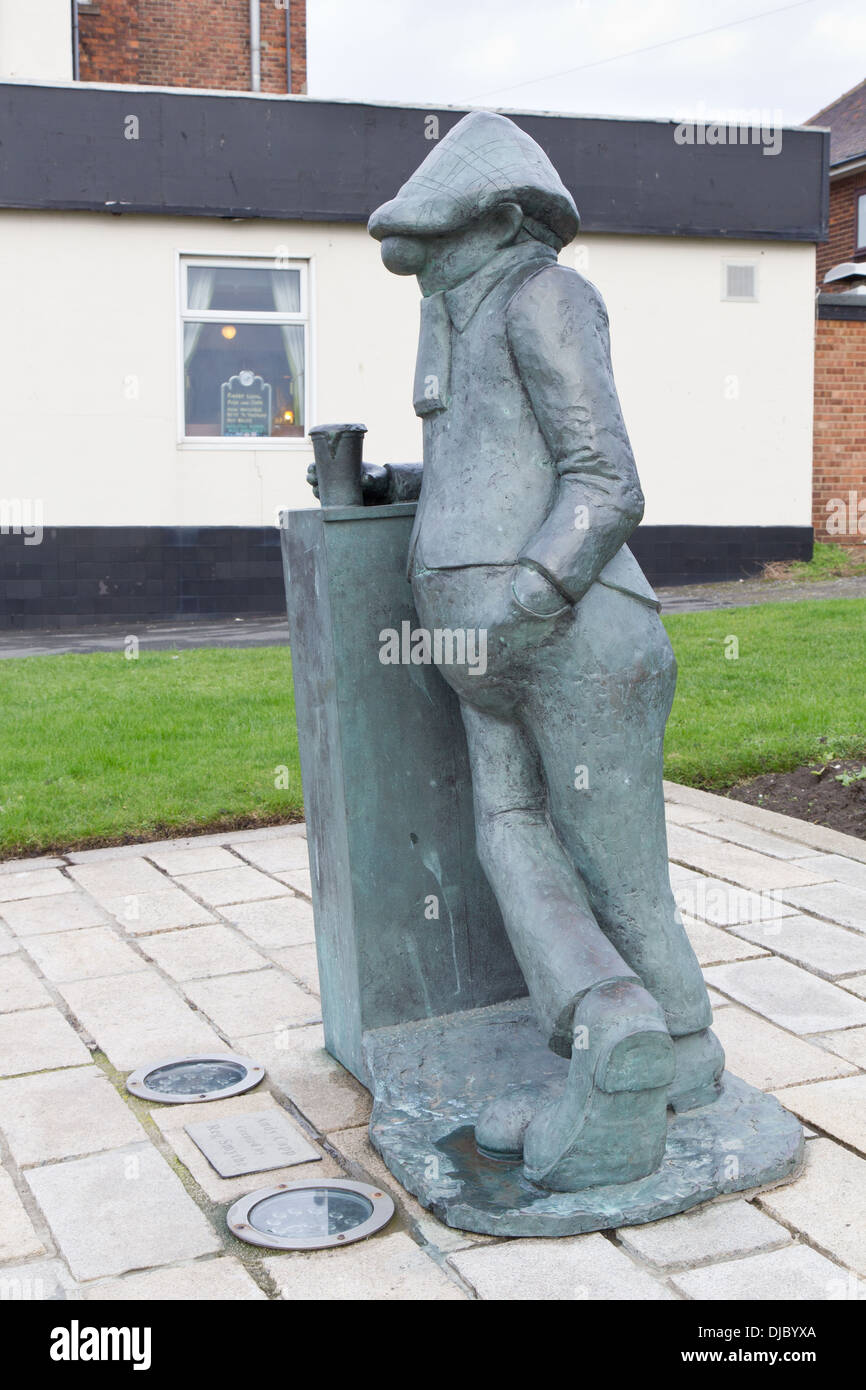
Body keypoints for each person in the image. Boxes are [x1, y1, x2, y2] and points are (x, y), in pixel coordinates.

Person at [310, 110, 723, 1191]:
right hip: (487, 646)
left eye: (438, 235)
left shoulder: (546, 295)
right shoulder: (456, 311)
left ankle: (627, 1050)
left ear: (499, 221)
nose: (419, 259)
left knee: (615, 870)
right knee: (509, 838)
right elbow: (491, 462)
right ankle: (655, 1050)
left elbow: (606, 478)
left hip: (570, 638)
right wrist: (399, 489)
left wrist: (527, 598)